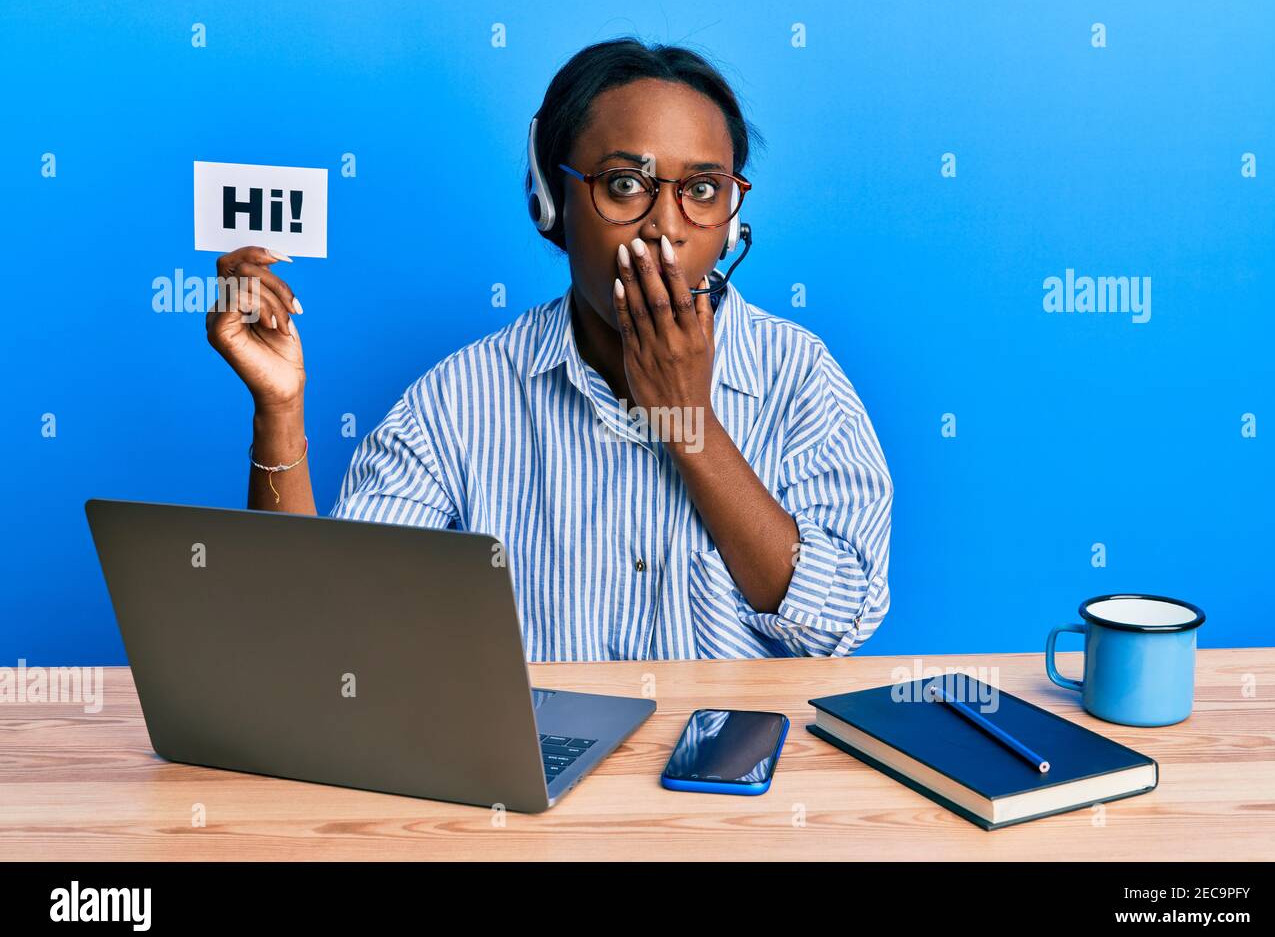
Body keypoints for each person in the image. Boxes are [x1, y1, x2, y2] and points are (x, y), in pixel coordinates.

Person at [205, 37, 892, 661]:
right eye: (626, 184)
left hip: (734, 790)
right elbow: (321, 638)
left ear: (731, 216)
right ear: (550, 204)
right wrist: (280, 410)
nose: (667, 229)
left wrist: (692, 423)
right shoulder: (462, 398)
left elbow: (837, 629)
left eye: (702, 191)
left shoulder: (798, 378)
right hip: (535, 786)